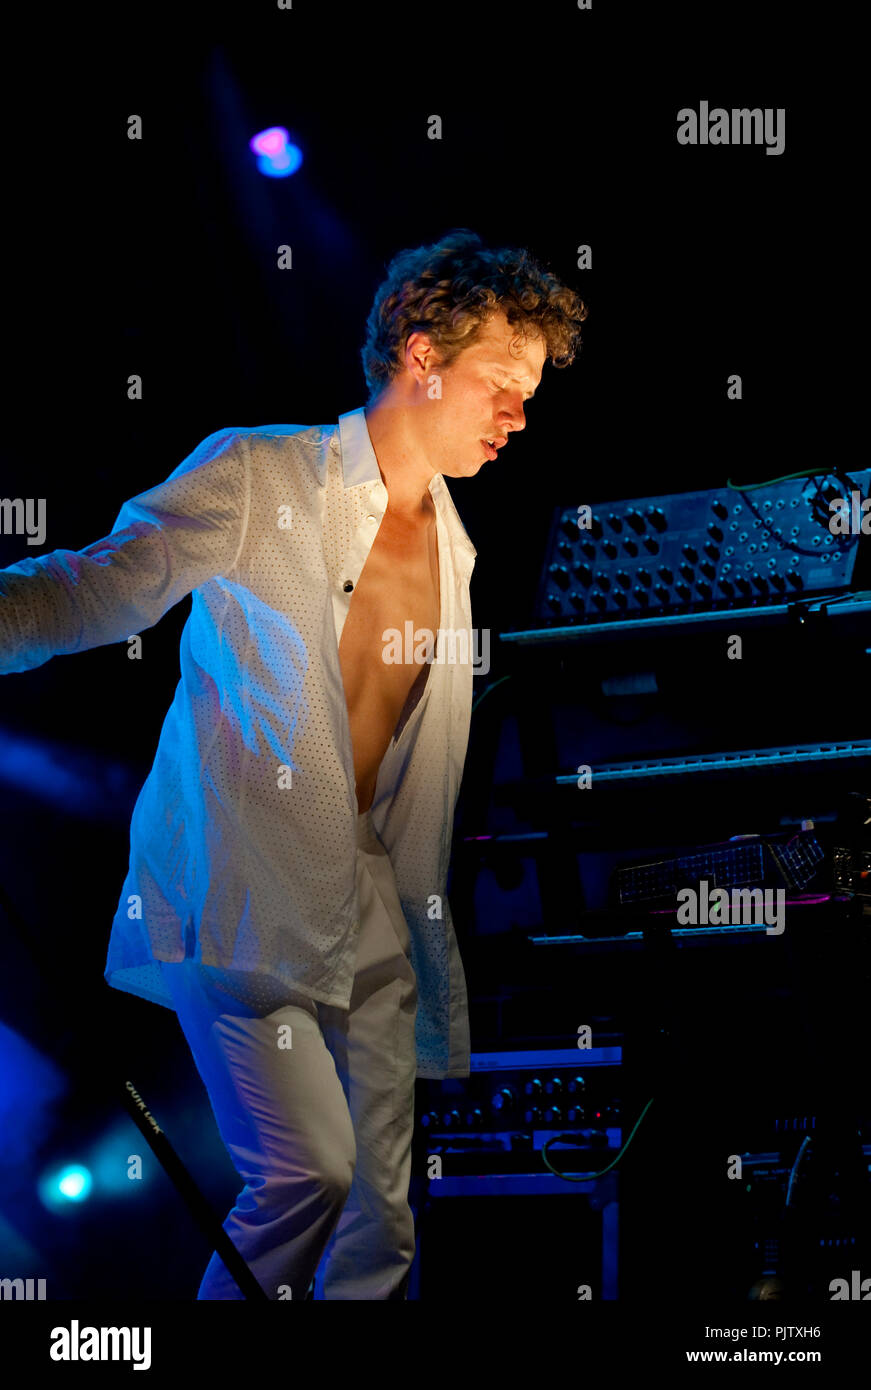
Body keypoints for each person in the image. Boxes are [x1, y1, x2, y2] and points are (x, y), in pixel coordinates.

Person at [0, 228, 587, 1299]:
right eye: (503, 383)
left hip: (369, 909)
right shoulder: (262, 472)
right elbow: (98, 585)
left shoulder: (456, 545)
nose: (519, 413)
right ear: (421, 356)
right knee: (307, 1170)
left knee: (381, 1227)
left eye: (529, 392)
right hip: (236, 888)